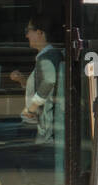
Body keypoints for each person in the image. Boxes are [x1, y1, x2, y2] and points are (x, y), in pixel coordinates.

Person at [11, 10, 63, 145]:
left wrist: (31, 109)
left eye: (29, 30)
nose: (27, 35)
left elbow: (49, 81)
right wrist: (23, 80)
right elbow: (42, 85)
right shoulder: (48, 56)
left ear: (40, 33)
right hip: (35, 124)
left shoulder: (47, 57)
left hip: (38, 127)